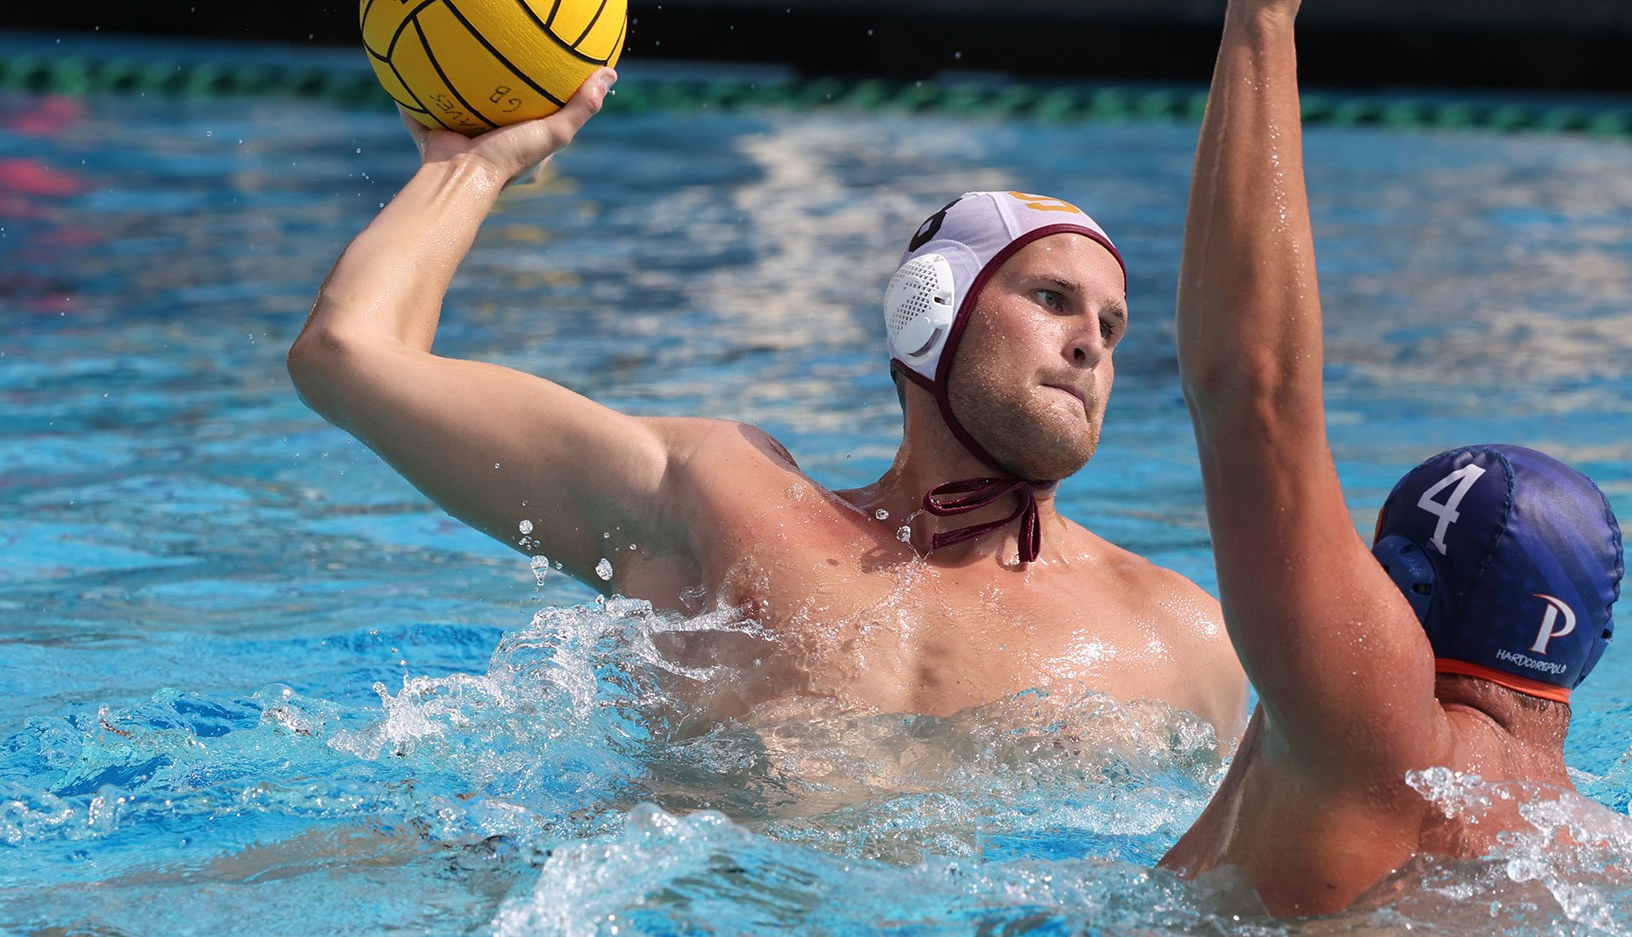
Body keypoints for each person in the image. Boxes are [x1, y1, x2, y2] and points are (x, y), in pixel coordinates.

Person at [286, 77, 1247, 740]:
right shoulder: (725, 502)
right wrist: (474, 169)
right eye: (1051, 300)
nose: (1092, 344)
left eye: (1113, 327)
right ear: (931, 313)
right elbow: (348, 357)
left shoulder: (1183, 640)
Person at [1158, 0, 1630, 914]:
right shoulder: (1626, 856)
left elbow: (1255, 392)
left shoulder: (1374, 724)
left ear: (1395, 587)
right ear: (1584, 642)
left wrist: (1262, 14)